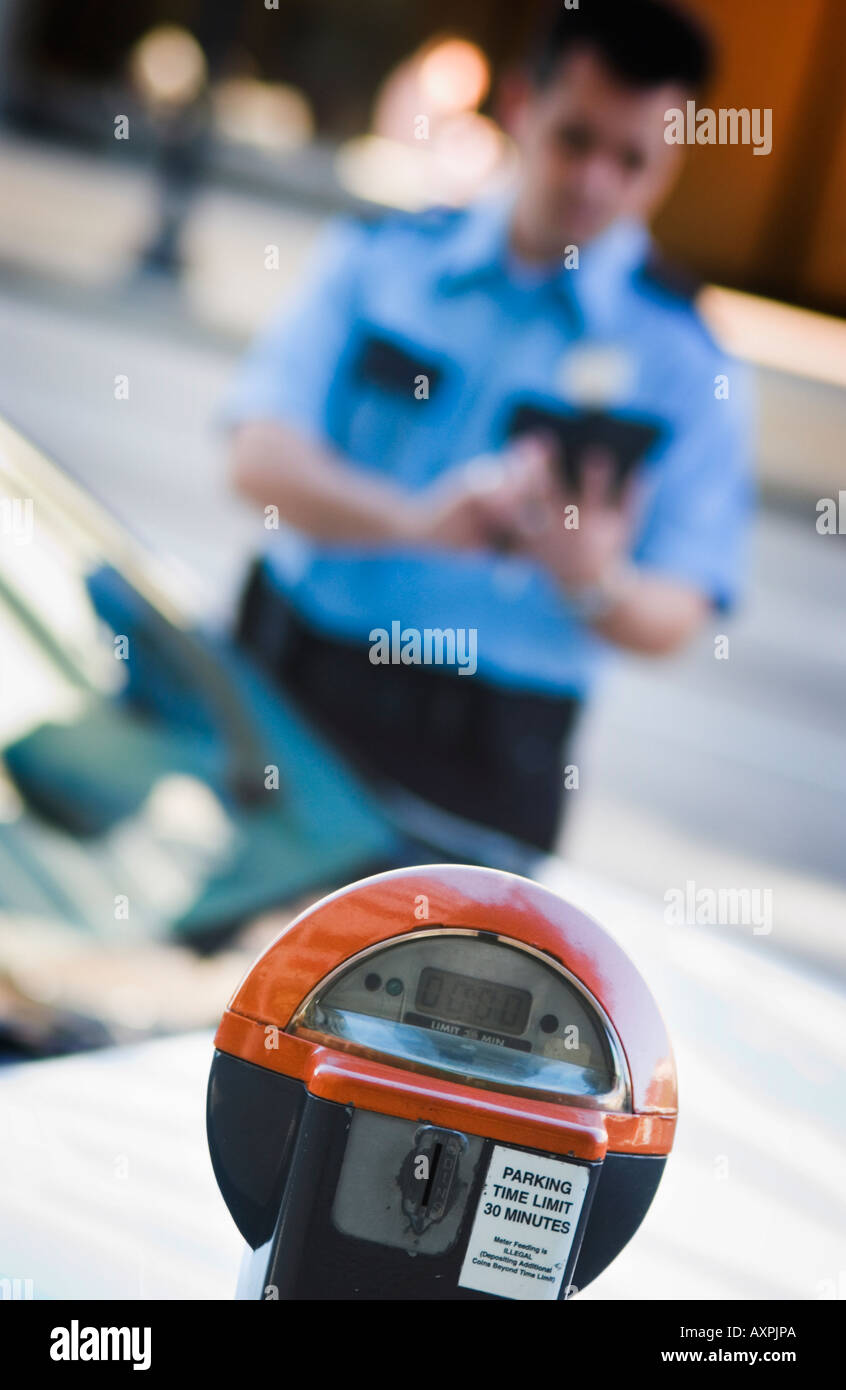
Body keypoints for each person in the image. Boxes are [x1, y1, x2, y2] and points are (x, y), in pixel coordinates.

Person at [224, 0, 753, 854]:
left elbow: (678, 609)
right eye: (575, 140)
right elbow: (256, 460)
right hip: (296, 688)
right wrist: (413, 521)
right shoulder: (383, 259)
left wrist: (594, 581)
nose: (596, 183)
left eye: (634, 160)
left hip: (491, 753)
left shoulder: (688, 360)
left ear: (675, 159)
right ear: (519, 107)